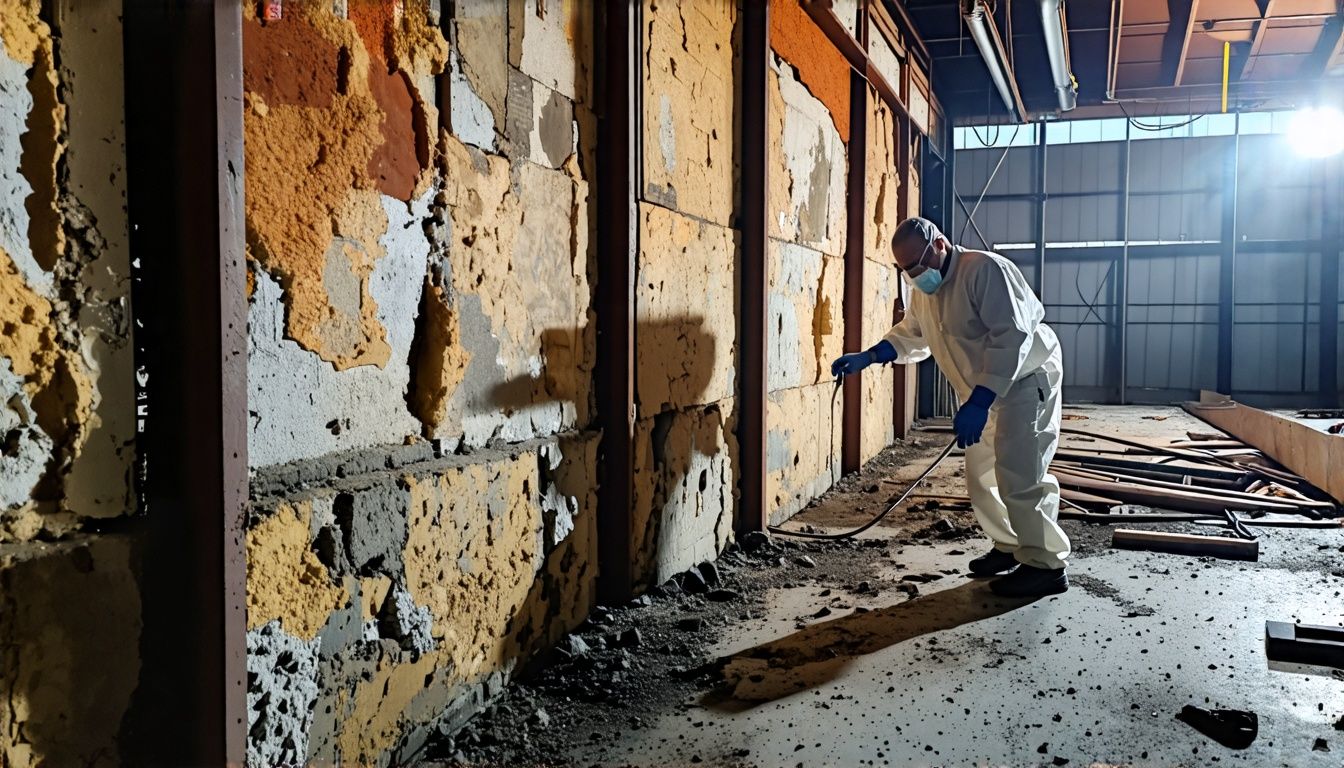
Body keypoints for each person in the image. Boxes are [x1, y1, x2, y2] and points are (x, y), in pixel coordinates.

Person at [831, 217, 1069, 597]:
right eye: (906, 269)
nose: (914, 274)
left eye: (918, 264)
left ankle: (1045, 564)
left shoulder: (985, 270)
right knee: (982, 477)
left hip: (1025, 381)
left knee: (1019, 473)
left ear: (939, 245)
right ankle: (1009, 545)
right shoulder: (925, 290)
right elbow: (914, 335)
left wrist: (980, 401)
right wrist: (871, 355)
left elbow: (1012, 337)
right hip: (981, 393)